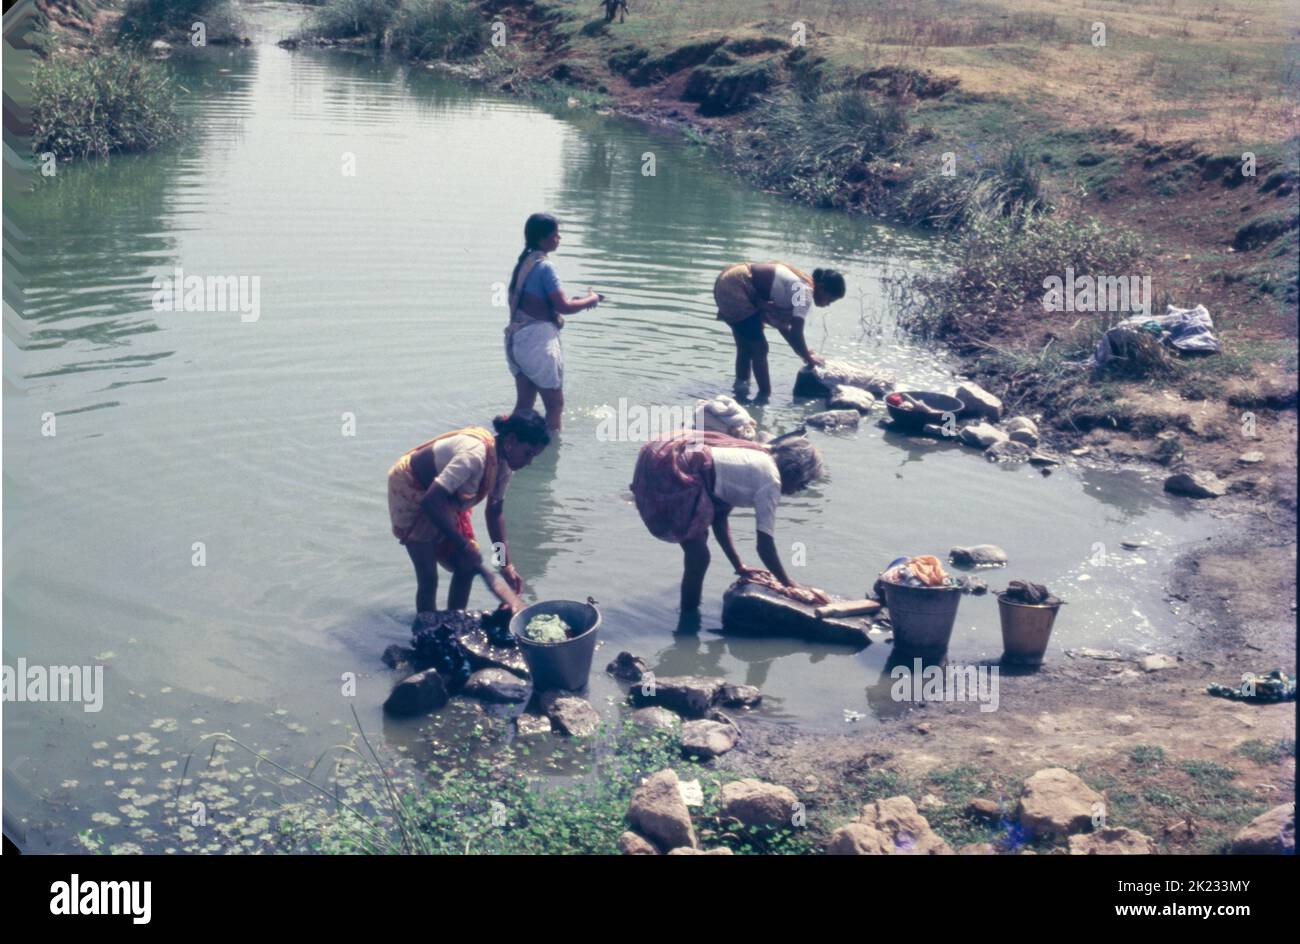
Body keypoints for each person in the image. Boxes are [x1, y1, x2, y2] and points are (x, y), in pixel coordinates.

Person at [631, 428, 826, 612]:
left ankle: (689, 611)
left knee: (698, 553)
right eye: (803, 484)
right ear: (793, 472)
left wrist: (739, 566)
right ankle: (688, 619)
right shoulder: (771, 483)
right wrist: (790, 584)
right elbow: (765, 546)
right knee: (699, 556)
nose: (799, 491)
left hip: (665, 454)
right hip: (676, 466)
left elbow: (719, 517)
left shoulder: (759, 459)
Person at [388, 414, 550, 613]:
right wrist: (462, 544)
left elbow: (494, 513)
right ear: (511, 441)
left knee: (466, 565)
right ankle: (425, 629)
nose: (529, 462)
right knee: (428, 577)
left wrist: (504, 564)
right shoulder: (474, 456)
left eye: (534, 456)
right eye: (527, 453)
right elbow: (430, 501)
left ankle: (456, 618)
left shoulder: (503, 465)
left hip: (442, 496)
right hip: (412, 489)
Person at [505, 213, 603, 432]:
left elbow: (539, 303)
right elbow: (563, 307)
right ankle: (550, 453)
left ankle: (505, 448)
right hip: (537, 342)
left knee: (524, 406)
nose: (559, 238)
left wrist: (575, 301)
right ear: (542, 239)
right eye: (555, 235)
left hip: (517, 340)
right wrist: (592, 299)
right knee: (555, 405)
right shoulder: (545, 267)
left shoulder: (525, 262)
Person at [713, 262, 847, 400]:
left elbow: (783, 327)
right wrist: (807, 357)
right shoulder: (804, 292)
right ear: (822, 288)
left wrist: (804, 353)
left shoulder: (802, 283)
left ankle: (740, 389)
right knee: (760, 348)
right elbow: (796, 331)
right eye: (829, 300)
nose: (828, 304)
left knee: (745, 346)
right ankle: (764, 397)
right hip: (737, 286)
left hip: (729, 279)